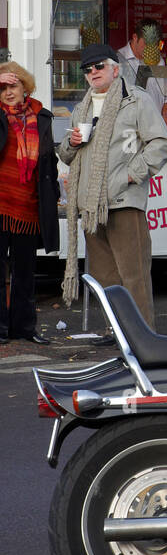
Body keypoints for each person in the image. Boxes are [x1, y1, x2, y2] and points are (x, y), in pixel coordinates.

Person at [57, 44, 167, 330]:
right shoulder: (82, 107)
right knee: (105, 277)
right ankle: (118, 331)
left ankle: (143, 335)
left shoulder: (136, 100)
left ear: (115, 69)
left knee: (133, 276)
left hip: (123, 201)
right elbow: (66, 154)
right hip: (91, 206)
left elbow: (161, 144)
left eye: (99, 66)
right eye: (87, 69)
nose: (93, 73)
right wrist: (70, 144)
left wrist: (131, 175)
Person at [0, 62, 60, 344]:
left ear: (26, 87)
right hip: (0, 206)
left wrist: (54, 194)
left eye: (13, 86)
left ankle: (23, 328)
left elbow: (49, 161)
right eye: (3, 88)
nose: (8, 92)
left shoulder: (42, 117)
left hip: (28, 207)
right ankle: (1, 330)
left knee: (25, 272)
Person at [118, 20, 167, 130]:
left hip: (157, 128)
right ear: (135, 37)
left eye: (154, 44)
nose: (150, 48)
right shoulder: (119, 60)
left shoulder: (159, 61)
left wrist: (166, 115)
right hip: (130, 129)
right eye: (146, 43)